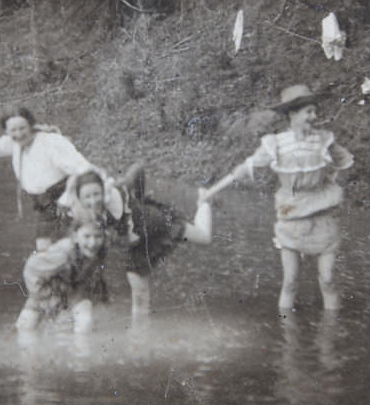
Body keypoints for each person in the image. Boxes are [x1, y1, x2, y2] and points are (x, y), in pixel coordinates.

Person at [202, 85, 353, 311]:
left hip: (323, 213)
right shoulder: (277, 143)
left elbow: (344, 161)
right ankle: (287, 337)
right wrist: (210, 192)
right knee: (290, 282)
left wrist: (330, 182)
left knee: (328, 280)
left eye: (315, 111)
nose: (314, 117)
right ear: (292, 115)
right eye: (308, 112)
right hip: (291, 212)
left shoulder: (324, 140)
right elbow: (245, 168)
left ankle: (331, 338)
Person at [60, 166, 213, 315]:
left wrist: (138, 199)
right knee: (138, 287)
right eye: (87, 196)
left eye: (96, 194)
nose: (93, 200)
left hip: (154, 223)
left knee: (204, 237)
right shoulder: (78, 211)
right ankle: (140, 331)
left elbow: (138, 168)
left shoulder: (115, 196)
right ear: (79, 197)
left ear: (103, 191)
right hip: (136, 238)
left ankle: (205, 201)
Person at [0, 94, 108, 251]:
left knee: (78, 249)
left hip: (67, 202)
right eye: (13, 130)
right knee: (44, 253)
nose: (19, 134)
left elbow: (82, 169)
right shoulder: (14, 144)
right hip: (45, 206)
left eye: (22, 128)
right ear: (7, 131)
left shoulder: (49, 142)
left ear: (30, 126)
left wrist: (67, 198)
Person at [16, 218, 108, 332]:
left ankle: (82, 347)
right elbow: (31, 269)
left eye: (98, 236)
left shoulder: (100, 251)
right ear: (75, 237)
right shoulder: (63, 252)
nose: (93, 243)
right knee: (25, 329)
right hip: (47, 292)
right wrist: (45, 295)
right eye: (87, 236)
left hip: (74, 292)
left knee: (85, 322)